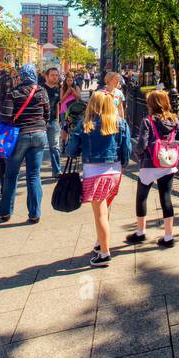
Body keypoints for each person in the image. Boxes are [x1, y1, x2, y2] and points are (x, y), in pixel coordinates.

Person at [64, 91, 131, 267]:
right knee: (106, 208)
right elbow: (126, 149)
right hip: (114, 171)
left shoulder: (85, 124)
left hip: (94, 173)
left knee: (100, 213)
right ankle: (100, 241)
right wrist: (122, 166)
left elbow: (71, 150)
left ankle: (104, 254)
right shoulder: (121, 123)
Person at [0, 64, 52, 224]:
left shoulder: (14, 93)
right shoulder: (42, 91)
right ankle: (34, 213)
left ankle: (5, 212)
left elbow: (5, 117)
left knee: (11, 175)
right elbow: (47, 114)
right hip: (39, 135)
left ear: (22, 76)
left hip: (19, 136)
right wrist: (39, 125)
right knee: (34, 174)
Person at [127, 90, 179, 248]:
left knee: (141, 197)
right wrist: (171, 148)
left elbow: (141, 144)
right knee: (166, 198)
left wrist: (140, 156)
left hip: (150, 164)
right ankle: (168, 236)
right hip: (168, 164)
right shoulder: (173, 119)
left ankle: (141, 232)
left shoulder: (148, 121)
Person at [42, 67, 64, 177]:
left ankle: (56, 170)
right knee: (39, 147)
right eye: (52, 75)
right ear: (47, 76)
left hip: (53, 121)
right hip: (41, 122)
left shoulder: (58, 88)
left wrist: (58, 121)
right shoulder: (41, 88)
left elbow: (57, 105)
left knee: (55, 146)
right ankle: (34, 170)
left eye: (56, 75)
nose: (55, 77)